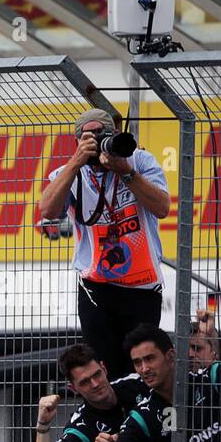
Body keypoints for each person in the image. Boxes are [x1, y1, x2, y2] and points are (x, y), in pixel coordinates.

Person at [39, 109, 171, 380]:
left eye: (102, 135)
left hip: (142, 285)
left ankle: (137, 421)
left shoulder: (139, 160)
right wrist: (76, 162)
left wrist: (125, 171)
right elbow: (48, 210)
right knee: (104, 370)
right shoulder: (70, 173)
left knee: (142, 371)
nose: (98, 142)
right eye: (89, 137)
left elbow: (162, 207)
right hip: (96, 288)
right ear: (78, 142)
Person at [93, 324, 221, 442]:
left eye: (150, 358)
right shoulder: (144, 415)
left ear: (170, 356)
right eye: (137, 363)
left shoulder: (211, 379)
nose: (144, 369)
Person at [34, 343, 150, 442]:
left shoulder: (135, 383)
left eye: (97, 375)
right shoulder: (81, 427)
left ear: (104, 368)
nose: (95, 384)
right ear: (73, 388)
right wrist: (43, 427)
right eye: (85, 382)